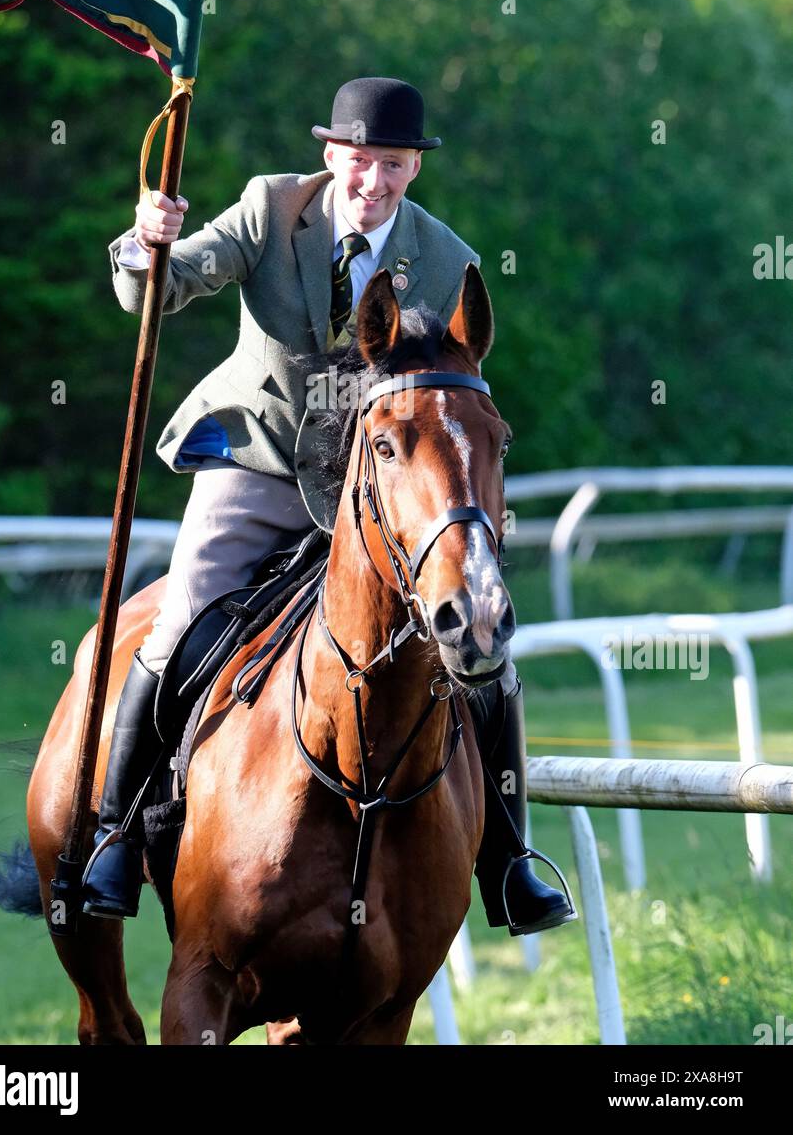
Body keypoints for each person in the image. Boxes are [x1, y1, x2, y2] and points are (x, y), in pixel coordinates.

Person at [83, 76, 576, 936]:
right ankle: (117, 835)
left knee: (485, 652)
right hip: (260, 466)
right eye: (358, 161)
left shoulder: (448, 257)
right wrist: (143, 246)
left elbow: (451, 400)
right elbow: (168, 286)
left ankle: (509, 863)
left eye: (391, 164)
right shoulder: (270, 210)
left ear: (413, 169)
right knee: (183, 620)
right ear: (329, 156)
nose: (372, 181)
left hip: (382, 496)